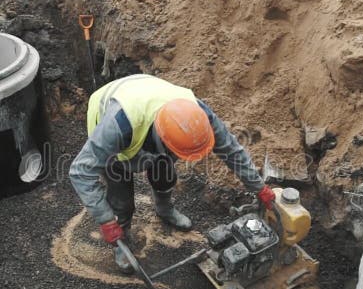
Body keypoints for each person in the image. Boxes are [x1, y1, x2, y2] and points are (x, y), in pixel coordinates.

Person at [69, 74, 275, 272]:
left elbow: (231, 150)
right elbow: (80, 172)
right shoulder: (116, 127)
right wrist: (105, 219)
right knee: (122, 198)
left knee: (165, 173)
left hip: (150, 105)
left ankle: (164, 208)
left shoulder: (196, 116)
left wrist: (259, 187)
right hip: (114, 118)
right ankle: (121, 240)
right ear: (162, 139)